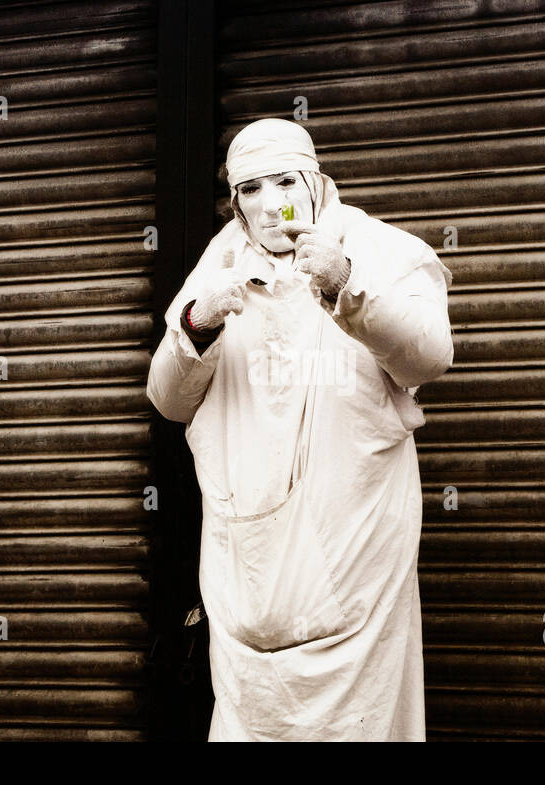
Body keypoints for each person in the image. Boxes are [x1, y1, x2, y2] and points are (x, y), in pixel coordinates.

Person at [146, 117, 454, 741]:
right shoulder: (220, 266)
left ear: (314, 182)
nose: (268, 204)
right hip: (246, 585)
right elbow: (168, 399)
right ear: (235, 201)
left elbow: (428, 355)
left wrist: (347, 286)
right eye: (250, 189)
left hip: (357, 572)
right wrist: (196, 327)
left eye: (284, 181)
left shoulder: (375, 247)